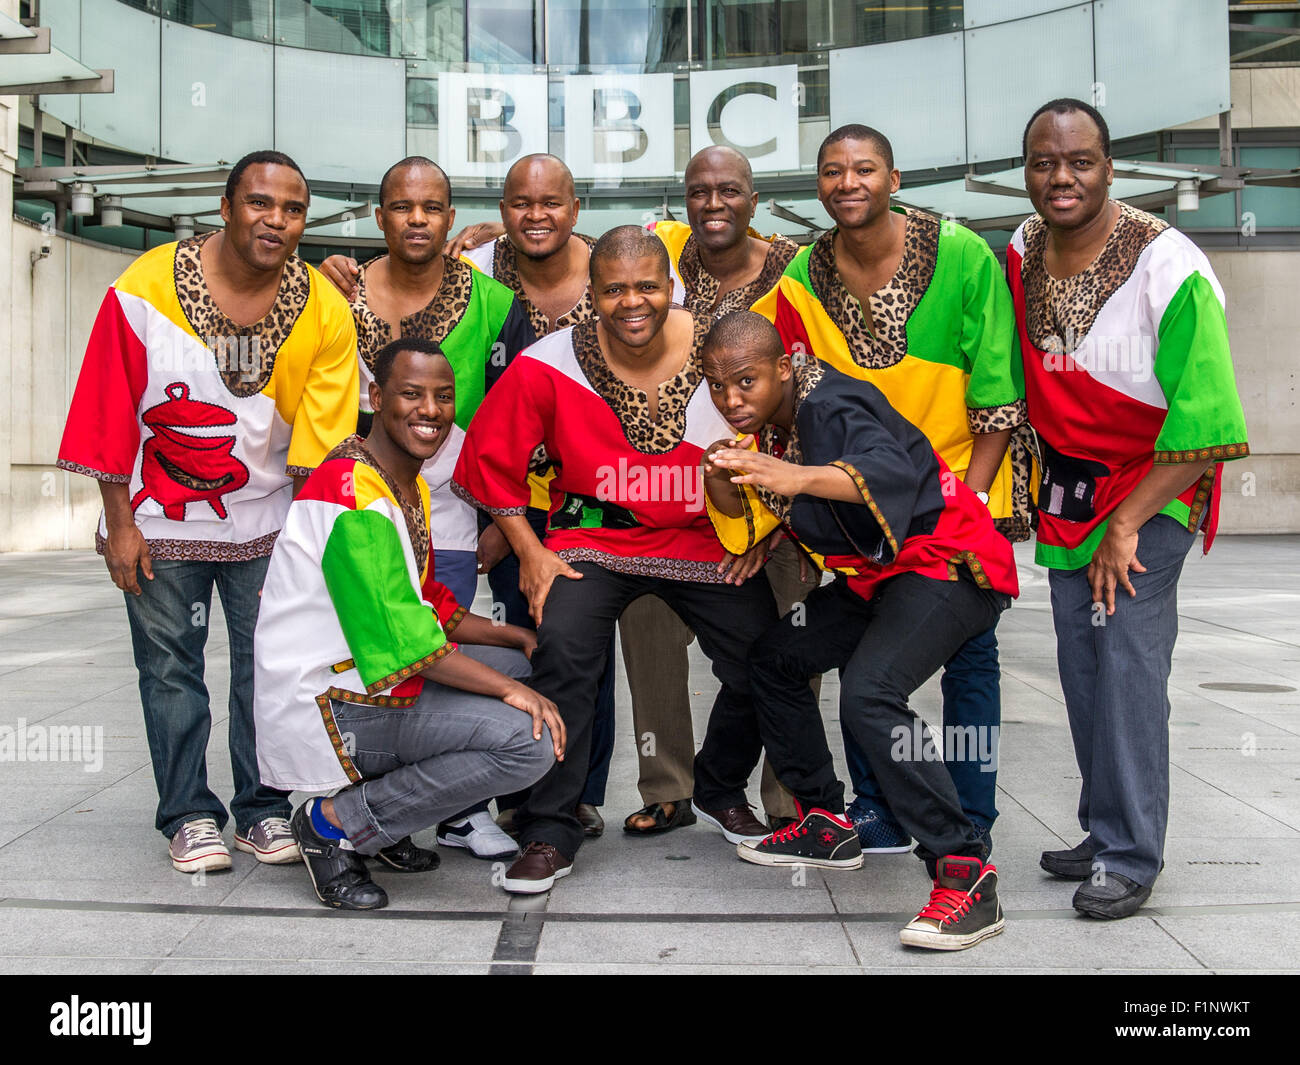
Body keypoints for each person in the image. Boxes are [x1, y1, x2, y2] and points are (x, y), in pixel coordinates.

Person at [56, 150, 358, 873]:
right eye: (259, 202)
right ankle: (189, 815)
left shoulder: (323, 306)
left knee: (269, 666)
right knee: (170, 669)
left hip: (267, 519)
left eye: (292, 209)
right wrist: (119, 523)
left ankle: (262, 808)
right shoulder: (144, 285)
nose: (276, 220)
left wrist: (313, 543)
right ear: (225, 208)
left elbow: (322, 444)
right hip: (155, 519)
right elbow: (106, 406)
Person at [453, 227, 780, 893]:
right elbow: (487, 459)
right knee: (565, 653)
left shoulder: (723, 348)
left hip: (703, 538)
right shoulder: (547, 361)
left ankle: (719, 785)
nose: (632, 302)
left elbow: (788, 435)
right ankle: (549, 828)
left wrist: (764, 531)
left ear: (671, 287)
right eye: (614, 289)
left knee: (769, 657)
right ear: (592, 293)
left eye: (647, 286)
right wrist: (530, 552)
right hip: (592, 540)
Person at [699, 311, 1018, 952]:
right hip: (882, 577)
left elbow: (885, 468)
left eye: (745, 381)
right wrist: (719, 478)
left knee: (871, 693)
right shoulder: (776, 427)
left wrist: (793, 478)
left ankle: (964, 870)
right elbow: (751, 515)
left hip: (949, 566)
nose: (730, 399)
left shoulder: (830, 403)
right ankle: (825, 820)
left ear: (783, 368)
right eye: (717, 385)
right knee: (775, 658)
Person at [753, 124, 1029, 853]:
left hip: (961, 495)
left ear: (895, 179)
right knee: (867, 661)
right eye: (832, 171)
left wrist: (968, 505)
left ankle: (971, 819)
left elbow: (998, 396)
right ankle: (875, 808)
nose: (848, 182)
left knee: (969, 659)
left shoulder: (963, 254)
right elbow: (750, 358)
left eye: (865, 168)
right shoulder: (803, 274)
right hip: (866, 507)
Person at [1011, 99, 1250, 919]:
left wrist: (1126, 522)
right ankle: (1103, 825)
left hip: (1154, 491)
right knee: (1083, 668)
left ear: (1109, 168)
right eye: (1045, 162)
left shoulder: (1169, 263)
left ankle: (1131, 854)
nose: (1062, 176)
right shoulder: (1021, 248)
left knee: (1128, 667)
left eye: (1080, 161)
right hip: (1070, 497)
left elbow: (1208, 427)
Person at [255, 337, 563, 910]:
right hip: (332, 699)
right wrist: (510, 690)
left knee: (525, 663)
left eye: (443, 396)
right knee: (527, 743)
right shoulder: (353, 495)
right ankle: (333, 822)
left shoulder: (401, 480)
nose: (430, 410)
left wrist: (513, 636)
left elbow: (427, 604)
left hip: (368, 677)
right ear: (376, 397)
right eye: (411, 394)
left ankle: (384, 821)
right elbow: (405, 642)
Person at [318, 156, 536, 861]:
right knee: (365, 659)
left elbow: (515, 419)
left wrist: (502, 519)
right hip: (358, 508)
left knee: (441, 659)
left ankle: (458, 813)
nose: (417, 219)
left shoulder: (495, 302)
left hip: (454, 515)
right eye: (402, 206)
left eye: (432, 207)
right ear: (380, 216)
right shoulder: (338, 293)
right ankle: (361, 809)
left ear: (450, 219)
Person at [452, 153, 616, 840]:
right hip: (504, 497)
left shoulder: (611, 269)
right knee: (522, 638)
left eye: (552, 202)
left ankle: (578, 792)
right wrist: (499, 516)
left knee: (582, 645)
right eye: (521, 203)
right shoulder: (476, 273)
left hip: (593, 496)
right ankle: (520, 787)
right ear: (503, 210)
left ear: (576, 209)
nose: (537, 214)